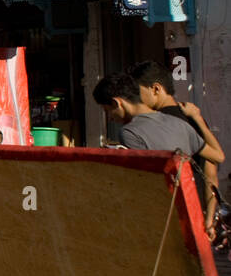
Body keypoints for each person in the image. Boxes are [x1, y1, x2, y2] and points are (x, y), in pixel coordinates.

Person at [92, 74, 221, 234]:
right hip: (191, 212)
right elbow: (216, 157)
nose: (110, 118)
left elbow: (143, 182)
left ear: (117, 103)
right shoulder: (180, 124)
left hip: (162, 221)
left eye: (107, 110)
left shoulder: (130, 132)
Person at [130, 60, 225, 233]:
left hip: (169, 214)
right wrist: (209, 219)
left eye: (138, 92)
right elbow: (211, 172)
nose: (136, 99)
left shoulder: (153, 125)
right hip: (195, 210)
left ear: (156, 89)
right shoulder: (193, 117)